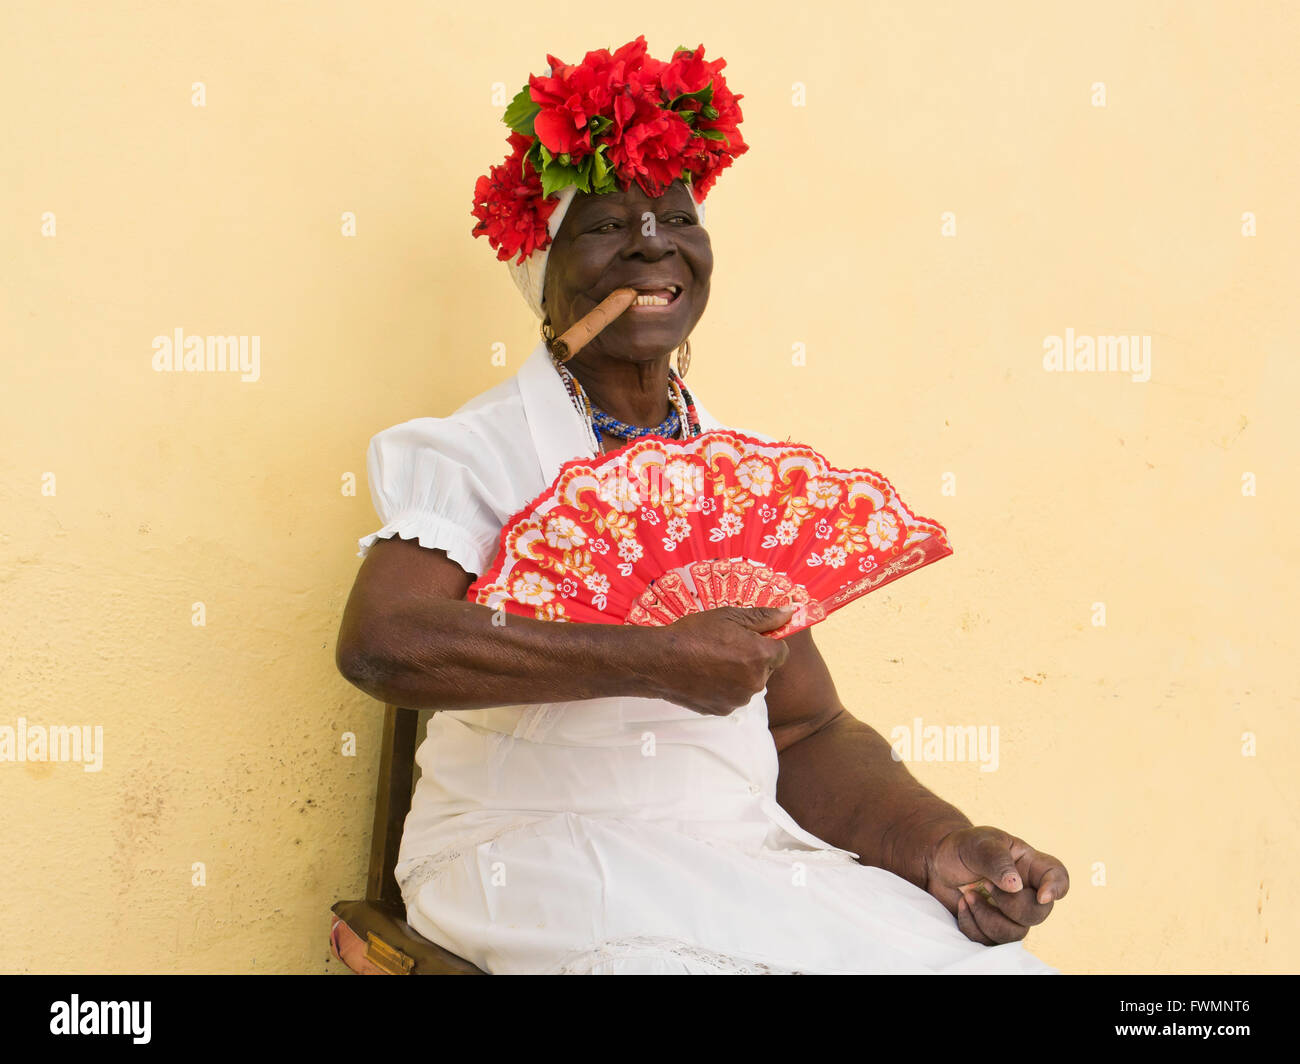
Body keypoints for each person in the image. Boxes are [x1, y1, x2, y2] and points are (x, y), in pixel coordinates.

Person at [335, 36, 1067, 974]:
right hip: (529, 857)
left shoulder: (729, 481)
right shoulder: (476, 451)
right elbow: (382, 642)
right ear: (542, 275)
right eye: (605, 226)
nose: (651, 242)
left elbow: (806, 729)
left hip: (731, 858)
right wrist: (651, 660)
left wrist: (939, 844)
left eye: (676, 217)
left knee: (996, 973)